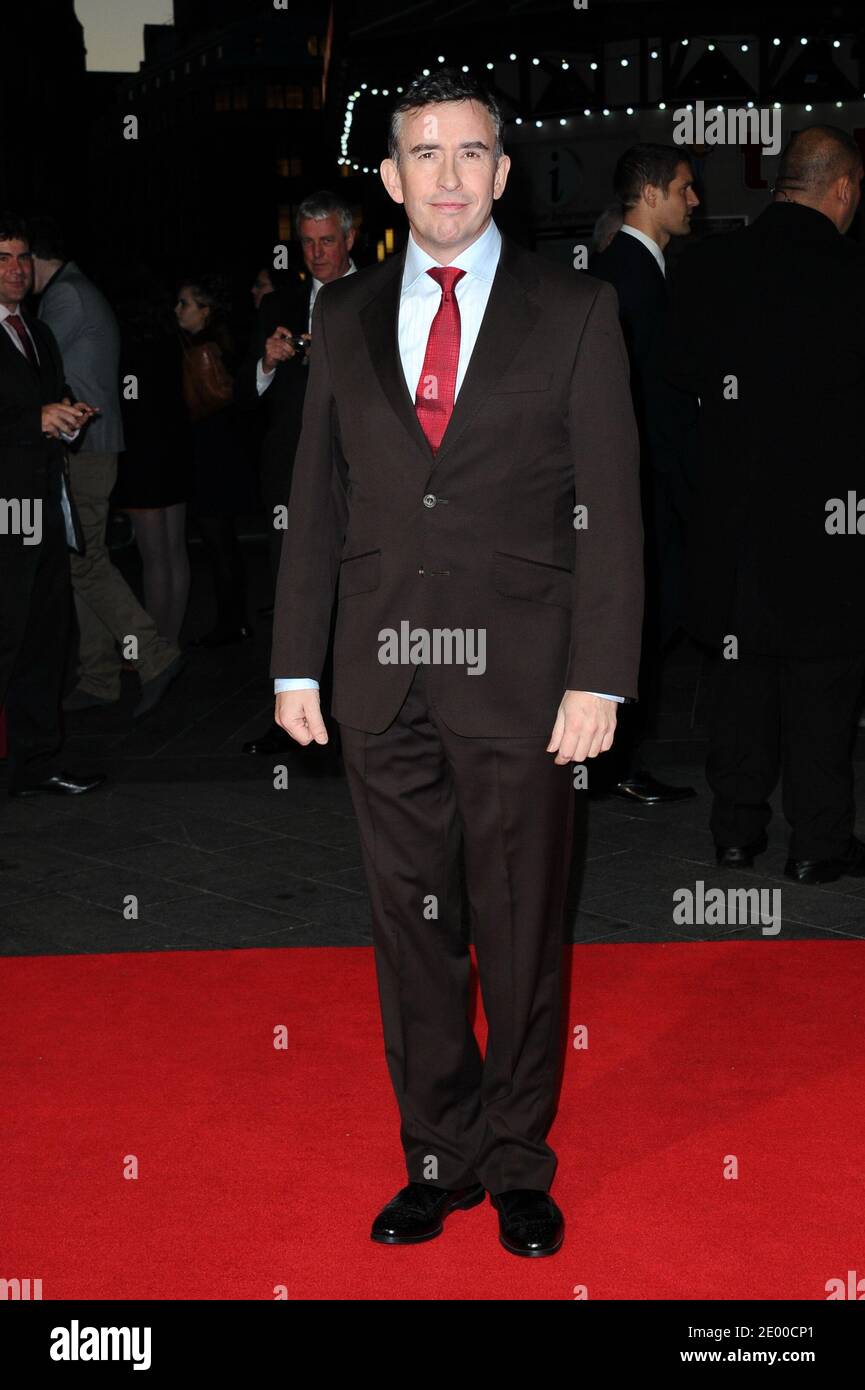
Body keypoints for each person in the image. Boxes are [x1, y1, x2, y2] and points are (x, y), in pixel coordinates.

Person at [271, 70, 644, 1256]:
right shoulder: (340, 317)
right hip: (382, 678)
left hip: (527, 681)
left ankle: (520, 1158)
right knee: (413, 928)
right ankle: (438, 1157)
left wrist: (601, 677)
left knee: (523, 926)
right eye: (422, 154)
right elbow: (316, 508)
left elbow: (615, 510)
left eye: (470, 153)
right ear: (389, 178)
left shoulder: (576, 310)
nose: (446, 175)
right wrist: (294, 667)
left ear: (500, 171)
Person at [663, 125, 865, 884]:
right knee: (822, 690)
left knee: (738, 684)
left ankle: (735, 834)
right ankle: (816, 843)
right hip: (827, 532)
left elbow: (678, 382)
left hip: (731, 528)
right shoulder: (851, 272)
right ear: (842, 188)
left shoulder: (709, 265)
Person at [31, 220, 184, 719]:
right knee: (83, 561)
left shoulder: (65, 297)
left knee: (86, 562)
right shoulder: (75, 289)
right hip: (91, 446)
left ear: (35, 258)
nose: (13, 273)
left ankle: (155, 655)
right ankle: (98, 677)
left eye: (17, 262)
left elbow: (34, 370)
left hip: (86, 449)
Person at [589, 145, 700, 804]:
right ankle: (615, 763)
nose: (693, 202)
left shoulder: (633, 270)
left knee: (647, 623)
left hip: (644, 485)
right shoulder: (628, 276)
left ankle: (615, 761)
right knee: (642, 623)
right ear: (651, 192)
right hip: (641, 488)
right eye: (685, 189)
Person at [236, 192, 357, 758]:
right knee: (292, 586)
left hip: (364, 470)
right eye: (307, 243)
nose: (316, 253)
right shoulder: (279, 304)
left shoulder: (383, 294)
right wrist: (267, 363)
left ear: (349, 239)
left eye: (327, 240)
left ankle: (354, 712)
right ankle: (290, 712)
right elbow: (246, 397)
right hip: (290, 472)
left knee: (360, 591)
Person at [0, 211, 104, 796]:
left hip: (42, 505)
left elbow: (42, 410)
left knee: (45, 634)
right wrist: (29, 420)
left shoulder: (36, 331)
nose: (17, 270)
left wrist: (64, 420)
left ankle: (39, 760)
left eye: (21, 258)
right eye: (3, 259)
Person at [112, 270, 191, 646]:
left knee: (155, 558)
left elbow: (130, 402)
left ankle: (158, 645)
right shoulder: (171, 339)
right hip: (173, 451)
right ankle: (168, 639)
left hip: (144, 456)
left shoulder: (129, 346)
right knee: (173, 552)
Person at [176, 275, 254, 647]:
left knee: (218, 542)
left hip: (212, 455)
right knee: (224, 542)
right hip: (222, 452)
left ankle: (231, 622)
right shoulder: (214, 343)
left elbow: (212, 400)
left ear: (205, 311)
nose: (178, 311)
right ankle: (235, 619)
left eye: (185, 304)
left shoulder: (202, 350)